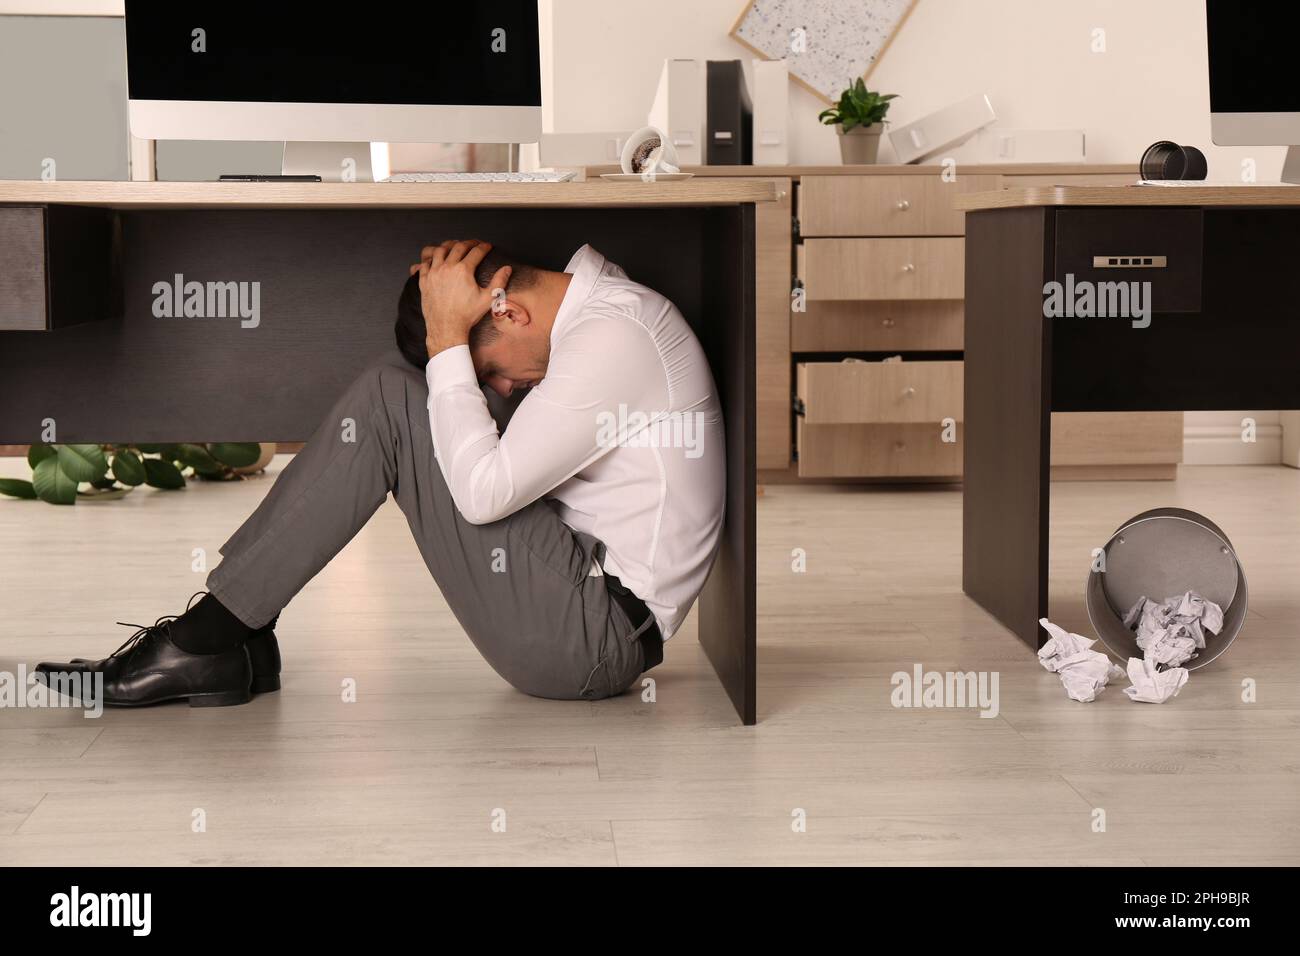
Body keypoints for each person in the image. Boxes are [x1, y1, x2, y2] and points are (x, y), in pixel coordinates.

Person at [36, 239, 726, 707]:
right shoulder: (602, 316)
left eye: (494, 369)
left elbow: (484, 495)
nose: (506, 389)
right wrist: (451, 342)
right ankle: (230, 636)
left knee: (393, 396)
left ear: (508, 309)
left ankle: (209, 640)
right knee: (405, 386)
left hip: (591, 640)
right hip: (582, 595)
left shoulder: (615, 336)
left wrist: (449, 341)